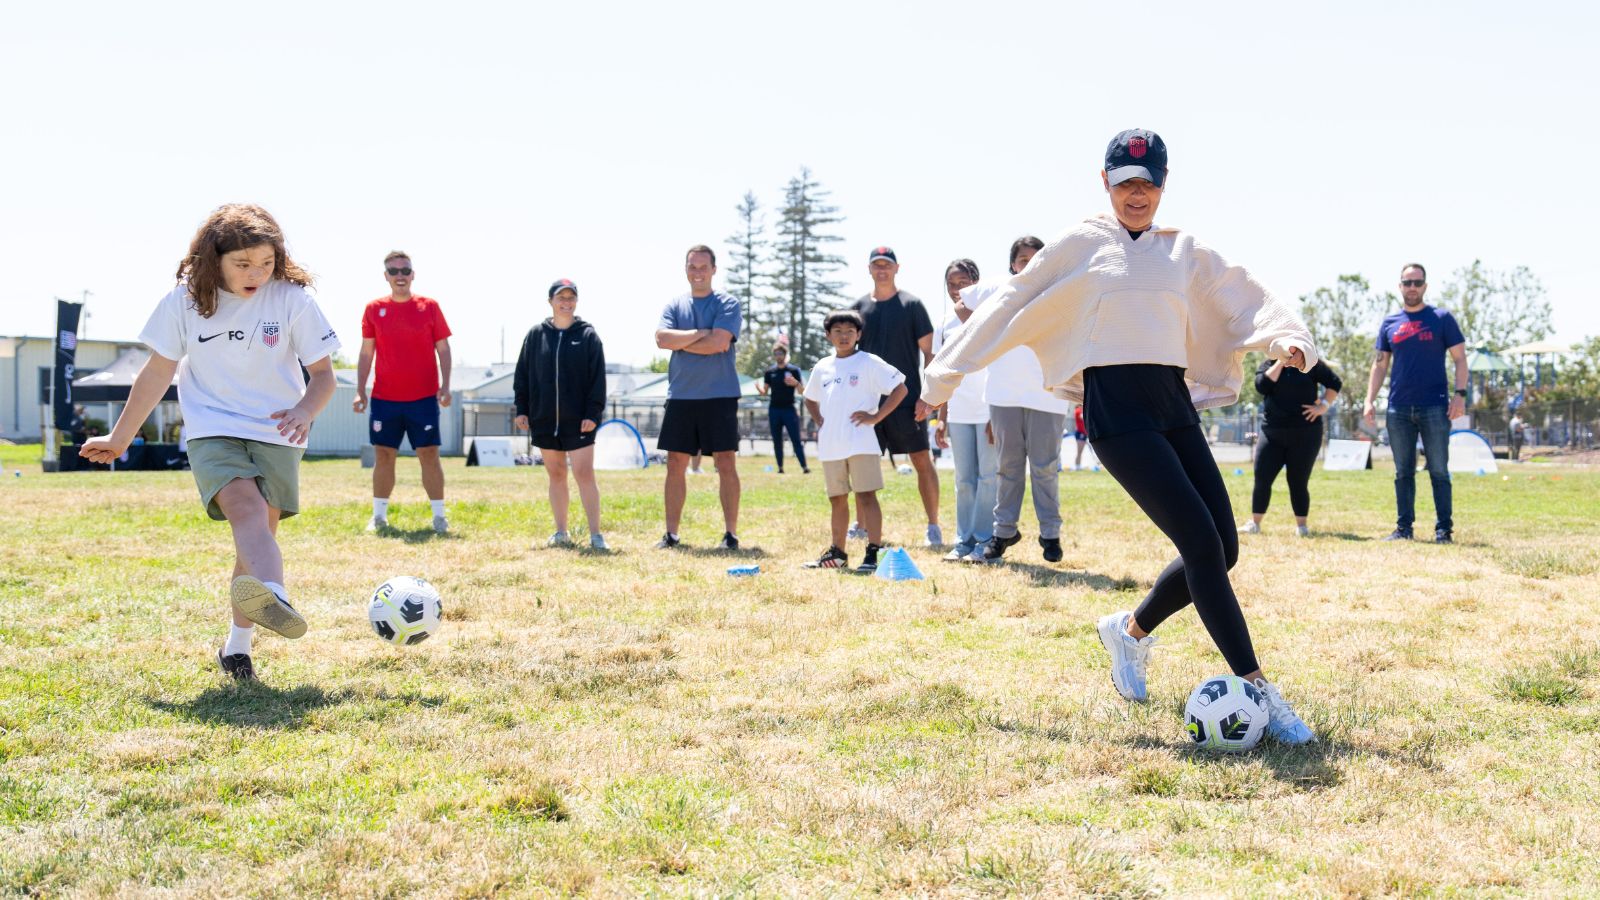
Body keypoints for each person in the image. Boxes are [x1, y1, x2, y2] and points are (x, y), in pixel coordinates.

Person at [920, 129, 1317, 744]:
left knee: (1224, 548)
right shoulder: (1081, 244)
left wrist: (1284, 339)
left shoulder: (1183, 249)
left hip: (1173, 405)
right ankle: (1260, 688)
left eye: (1148, 183)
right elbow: (1011, 302)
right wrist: (942, 378)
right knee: (1202, 546)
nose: (1137, 194)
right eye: (1125, 182)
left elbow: (1241, 294)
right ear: (1104, 182)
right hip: (1116, 414)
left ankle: (1128, 631)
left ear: (1163, 186)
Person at [80, 204, 341, 682]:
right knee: (245, 510)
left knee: (256, 536)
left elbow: (324, 377)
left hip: (277, 432)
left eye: (265, 263)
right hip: (212, 428)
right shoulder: (185, 300)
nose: (256, 274)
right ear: (212, 258)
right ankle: (275, 592)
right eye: (243, 264)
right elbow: (157, 371)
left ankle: (236, 649)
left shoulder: (291, 299)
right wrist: (121, 438)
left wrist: (305, 410)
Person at [963, 236, 1070, 564]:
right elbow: (962, 303)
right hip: (1003, 395)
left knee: (1044, 468)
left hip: (1048, 395)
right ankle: (1003, 531)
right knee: (1007, 468)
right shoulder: (999, 287)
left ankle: (1050, 534)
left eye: (1037, 258)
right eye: (1023, 259)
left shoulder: (1061, 290)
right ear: (1013, 264)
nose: (1029, 264)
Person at [1362, 263, 1468, 543]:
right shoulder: (1389, 324)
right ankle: (1403, 529)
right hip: (1398, 408)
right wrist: (1369, 400)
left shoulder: (1442, 318)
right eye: (1407, 283)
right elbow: (1379, 366)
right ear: (1400, 286)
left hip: (1435, 406)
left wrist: (1460, 394)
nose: (1412, 288)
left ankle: (1444, 530)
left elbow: (1460, 359)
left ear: (1425, 286)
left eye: (1417, 283)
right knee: (1402, 472)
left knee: (1439, 471)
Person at [353, 251, 454, 534]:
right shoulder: (374, 309)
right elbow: (366, 352)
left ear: (413, 274)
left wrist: (445, 386)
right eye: (394, 271)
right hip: (385, 399)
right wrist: (360, 392)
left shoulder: (429, 307)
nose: (400, 276)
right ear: (386, 276)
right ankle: (379, 517)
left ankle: (439, 517)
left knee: (429, 454)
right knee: (383, 454)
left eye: (405, 270)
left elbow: (443, 350)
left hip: (423, 399)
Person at [803, 310, 907, 574]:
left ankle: (873, 551)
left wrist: (877, 416)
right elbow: (809, 397)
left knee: (866, 496)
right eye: (837, 331)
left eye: (850, 331)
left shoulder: (869, 362)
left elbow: (900, 388)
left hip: (861, 442)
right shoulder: (823, 366)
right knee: (837, 499)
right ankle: (838, 553)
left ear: (859, 335)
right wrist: (821, 421)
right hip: (831, 445)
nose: (844, 336)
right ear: (828, 335)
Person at [852, 247, 942, 548]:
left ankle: (933, 526)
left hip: (907, 401)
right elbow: (848, 355)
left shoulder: (911, 304)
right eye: (876, 265)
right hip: (866, 403)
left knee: (921, 460)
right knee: (863, 464)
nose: (882, 270)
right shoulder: (858, 308)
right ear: (869, 269)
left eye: (887, 265)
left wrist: (927, 396)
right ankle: (860, 526)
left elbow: (930, 353)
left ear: (897, 268)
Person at [653, 245, 742, 549]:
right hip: (681, 395)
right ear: (686, 269)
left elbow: (718, 343)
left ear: (714, 270)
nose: (698, 272)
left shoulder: (728, 303)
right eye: (693, 267)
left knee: (725, 463)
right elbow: (662, 339)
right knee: (675, 463)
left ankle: (730, 534)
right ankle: (672, 535)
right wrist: (698, 333)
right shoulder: (674, 305)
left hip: (721, 395)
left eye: (704, 267)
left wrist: (683, 340)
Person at [514, 279, 609, 550]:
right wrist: (522, 408)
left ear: (576, 301)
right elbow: (522, 374)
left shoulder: (588, 335)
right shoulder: (536, 335)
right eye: (561, 297)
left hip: (579, 420)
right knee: (556, 474)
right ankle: (561, 532)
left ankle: (595, 535)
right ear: (550, 302)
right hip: (544, 419)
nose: (566, 302)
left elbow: (597, 379)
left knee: (583, 473)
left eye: (571, 297)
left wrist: (593, 412)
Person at [931, 259, 996, 562]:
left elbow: (1000, 366)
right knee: (964, 479)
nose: (957, 290)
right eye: (951, 284)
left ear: (976, 282)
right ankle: (963, 541)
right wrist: (940, 418)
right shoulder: (944, 323)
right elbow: (941, 372)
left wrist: (997, 413)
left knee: (987, 478)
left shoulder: (993, 315)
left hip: (987, 410)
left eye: (962, 283)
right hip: (957, 412)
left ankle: (985, 541)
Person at [1243, 356, 1342, 537]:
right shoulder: (1268, 364)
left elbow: (1334, 383)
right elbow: (1261, 386)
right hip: (1272, 433)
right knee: (1262, 478)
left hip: (1306, 433)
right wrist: (1281, 361)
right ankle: (1255, 524)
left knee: (1298, 481)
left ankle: (1302, 527)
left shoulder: (1311, 364)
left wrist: (1323, 406)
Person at [756, 344, 809, 474]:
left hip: (789, 409)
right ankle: (780, 467)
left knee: (795, 439)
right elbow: (765, 392)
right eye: (776, 354)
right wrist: (759, 390)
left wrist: (796, 383)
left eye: (780, 353)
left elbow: (802, 391)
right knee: (777, 440)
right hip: (774, 410)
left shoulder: (794, 370)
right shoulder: (770, 372)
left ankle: (804, 467)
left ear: (785, 355)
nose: (778, 356)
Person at [1071, 404, 1088, 470]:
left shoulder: (1080, 411)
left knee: (1080, 451)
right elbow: (1083, 417)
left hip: (1083, 433)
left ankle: (1079, 465)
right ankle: (1077, 466)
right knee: (1079, 451)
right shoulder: (1078, 411)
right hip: (1080, 433)